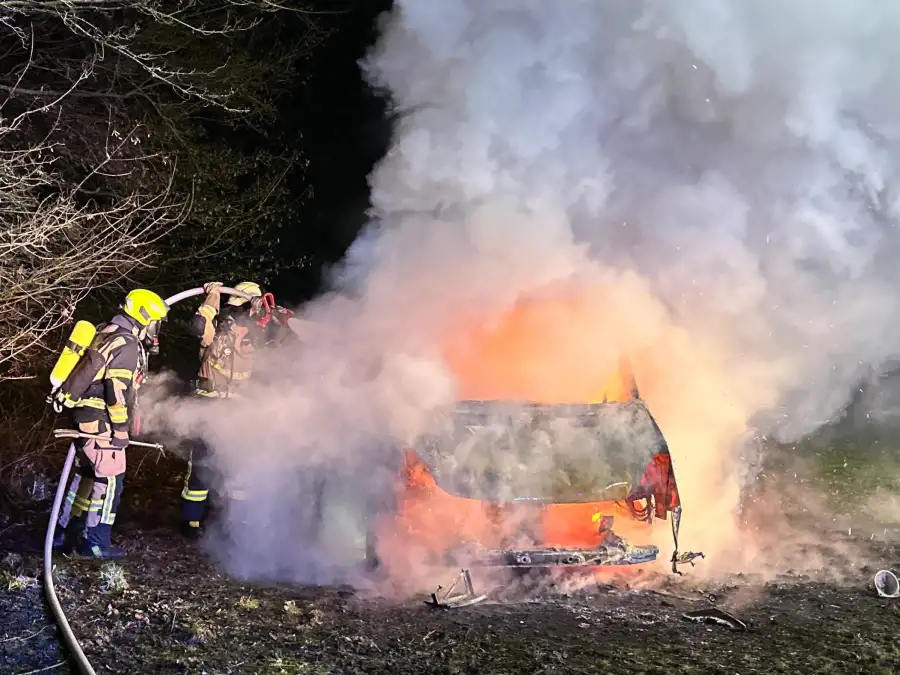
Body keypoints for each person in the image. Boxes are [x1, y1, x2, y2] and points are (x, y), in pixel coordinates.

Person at [52, 289, 169, 558]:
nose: (155, 328)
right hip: (101, 421)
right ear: (143, 317)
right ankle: (96, 544)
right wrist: (119, 430)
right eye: (155, 322)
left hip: (83, 416)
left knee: (85, 476)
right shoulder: (126, 344)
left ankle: (64, 533)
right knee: (110, 481)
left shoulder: (107, 331)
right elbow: (115, 389)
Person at [179, 280, 268, 537]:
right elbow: (198, 325)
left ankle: (233, 524)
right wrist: (212, 298)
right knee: (203, 466)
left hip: (239, 411)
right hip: (209, 405)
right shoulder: (217, 333)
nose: (237, 317)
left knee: (238, 467)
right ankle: (191, 521)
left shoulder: (257, 338)